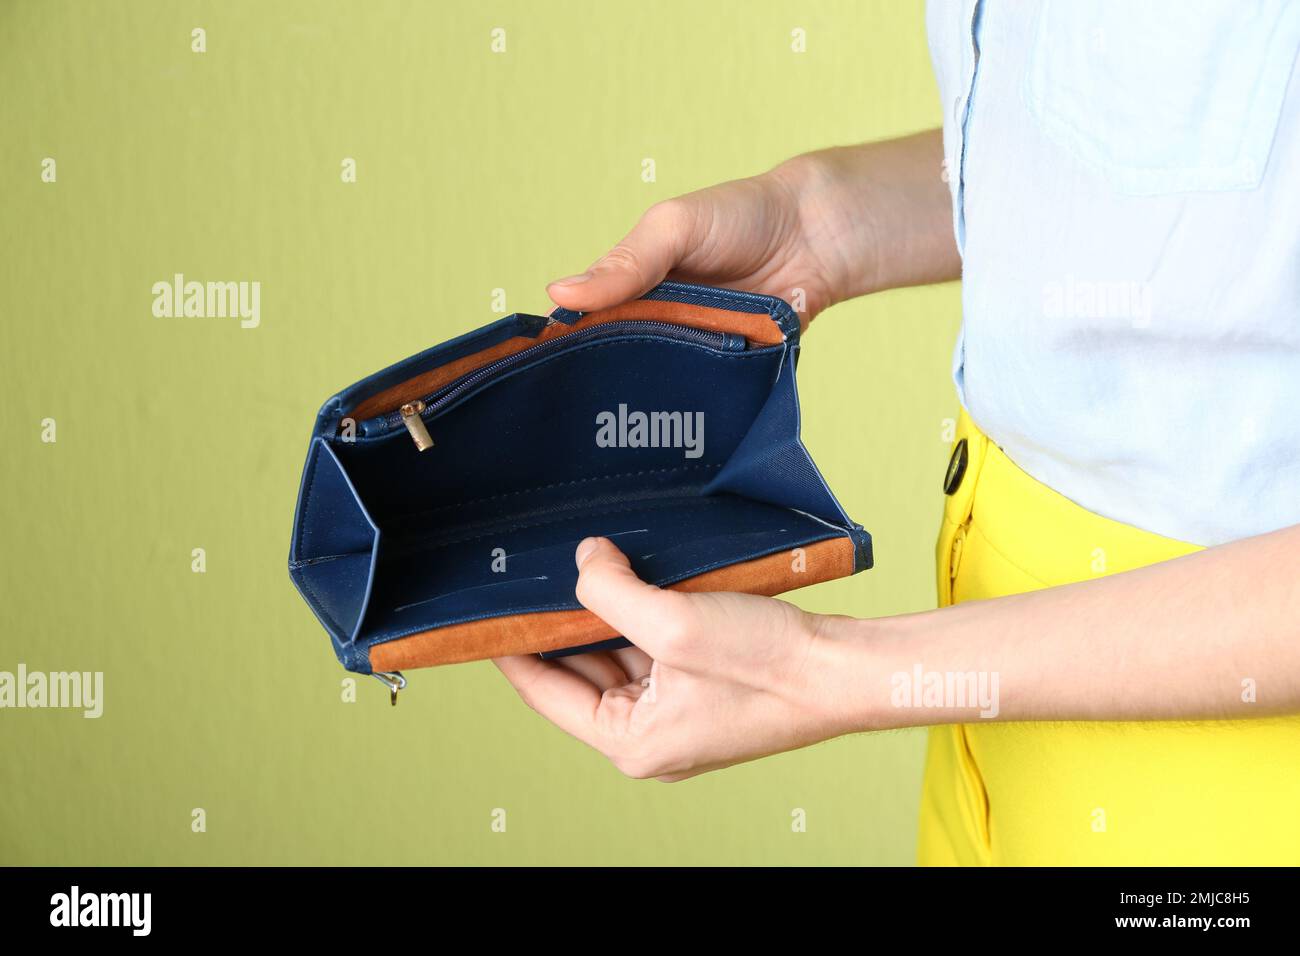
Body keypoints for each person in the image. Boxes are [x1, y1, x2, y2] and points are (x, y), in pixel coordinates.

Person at [493, 1, 1300, 865]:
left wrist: (824, 673)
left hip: (1238, 776)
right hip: (986, 679)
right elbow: (1153, 158)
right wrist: (819, 224)